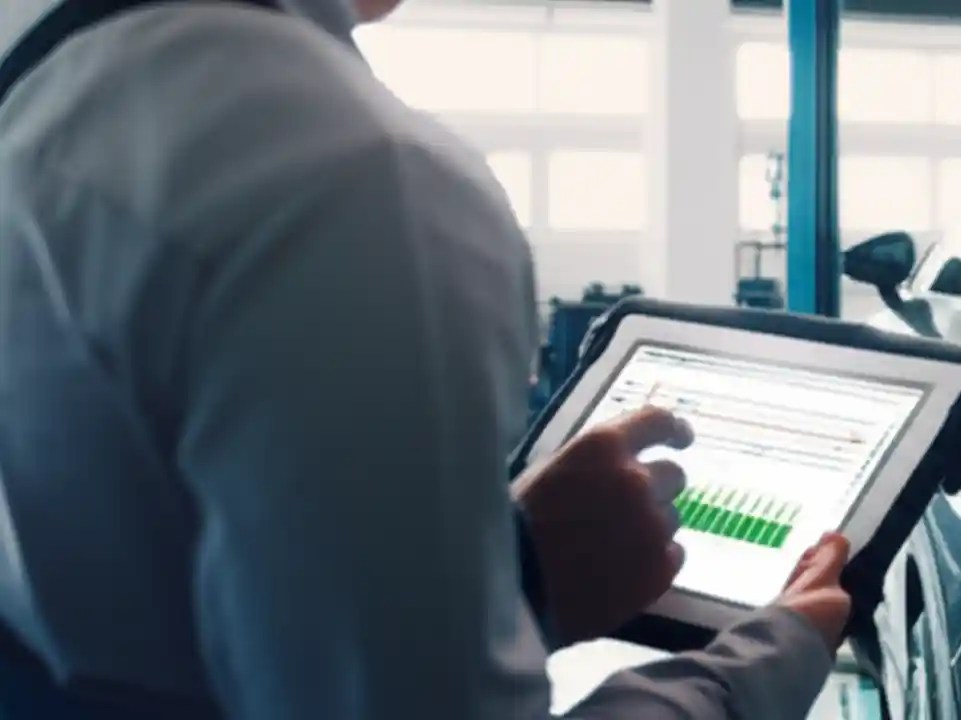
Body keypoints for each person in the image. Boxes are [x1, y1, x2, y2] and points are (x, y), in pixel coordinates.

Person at [0, 0, 853, 717]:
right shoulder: (351, 174)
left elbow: (140, 594)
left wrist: (510, 575)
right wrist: (749, 678)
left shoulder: (56, 84)